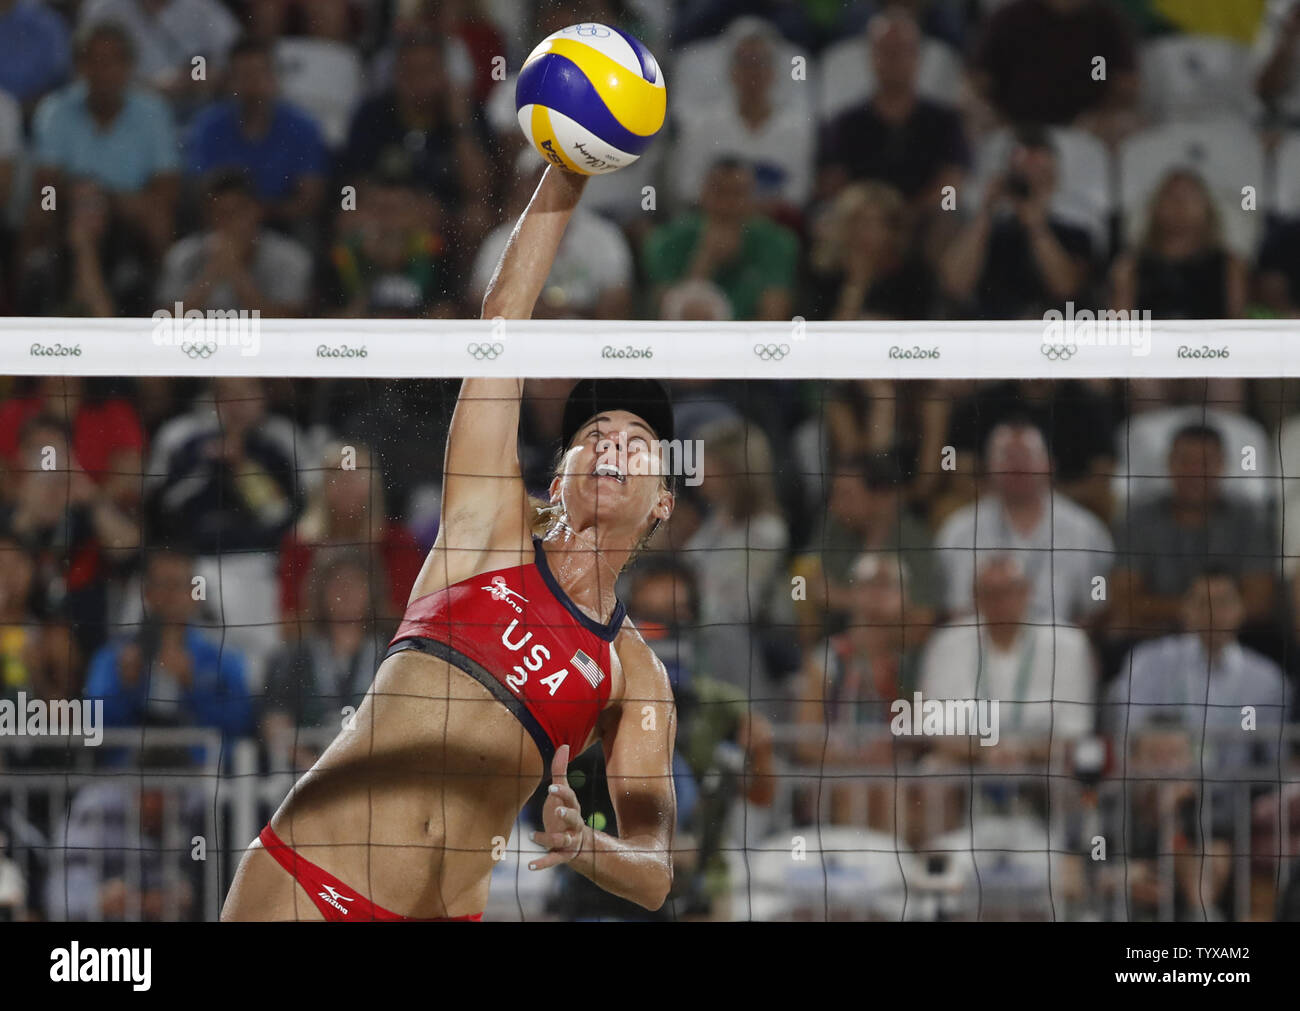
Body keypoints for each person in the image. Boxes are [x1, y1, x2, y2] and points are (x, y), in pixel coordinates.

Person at [222, 165, 678, 922]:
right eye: (594, 432)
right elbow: (503, 315)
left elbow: (657, 870)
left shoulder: (635, 673)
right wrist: (569, 169)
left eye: (638, 442)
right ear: (557, 472)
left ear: (661, 503)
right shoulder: (489, 525)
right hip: (316, 873)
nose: (611, 443)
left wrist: (584, 841)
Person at [934, 419, 1114, 627]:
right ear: (988, 466)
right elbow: (954, 608)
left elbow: (1097, 609)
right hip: (979, 648)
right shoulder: (957, 532)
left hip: (1061, 647)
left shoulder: (1088, 533)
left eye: (1026, 455)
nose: (1016, 464)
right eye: (1007, 456)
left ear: (1049, 464)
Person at [1109, 424, 1277, 637]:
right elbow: (1124, 601)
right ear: (1169, 463)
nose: (1195, 472)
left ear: (1223, 465)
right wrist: (1208, 612)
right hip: (1156, 636)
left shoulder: (1250, 518)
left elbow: (1259, 602)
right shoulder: (1137, 518)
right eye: (1186, 462)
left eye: (1205, 463)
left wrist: (1194, 615)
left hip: (1236, 638)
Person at [938, 125, 1093, 319]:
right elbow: (953, 285)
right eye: (1022, 172)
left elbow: (1066, 288)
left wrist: (1037, 226)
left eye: (1040, 175)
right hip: (992, 329)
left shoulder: (1075, 233)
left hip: (1050, 331)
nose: (1031, 182)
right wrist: (985, 212)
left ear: (1054, 179)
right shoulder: (988, 231)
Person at [643, 158, 799, 321]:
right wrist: (705, 259)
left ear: (752, 198)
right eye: (720, 193)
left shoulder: (777, 242)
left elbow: (773, 318)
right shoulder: (668, 240)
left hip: (747, 342)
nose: (727, 204)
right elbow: (667, 317)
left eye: (737, 193)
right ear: (702, 194)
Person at [1109, 169, 1247, 320]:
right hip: (1152, 342)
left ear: (1207, 209)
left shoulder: (1229, 265)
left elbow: (1239, 326)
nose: (1179, 205)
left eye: (1190, 197)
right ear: (1156, 208)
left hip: (1210, 343)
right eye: (1170, 196)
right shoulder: (1130, 266)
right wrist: (1120, 288)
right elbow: (1118, 329)